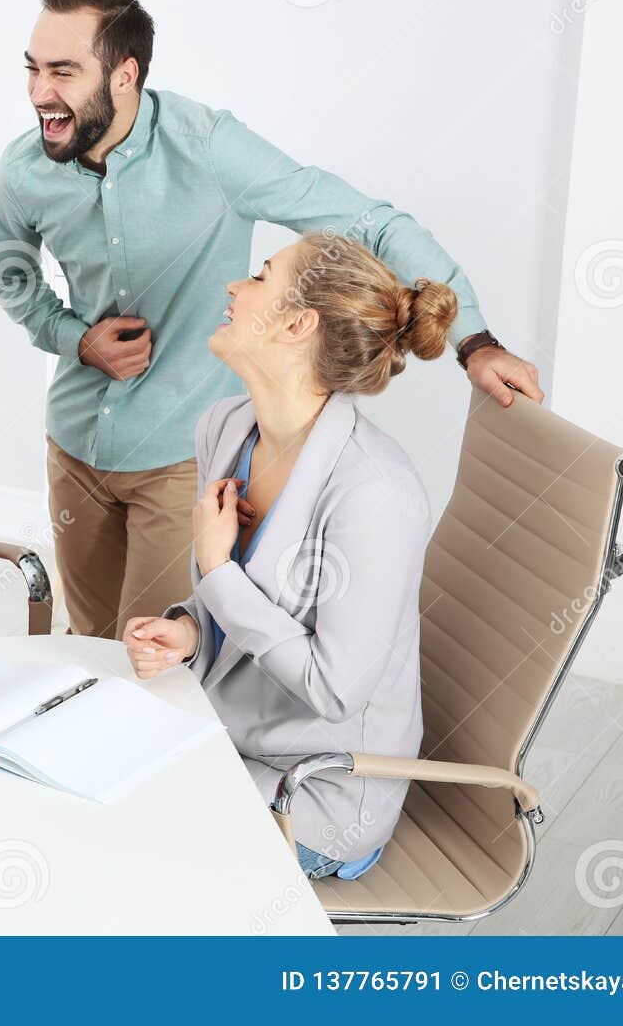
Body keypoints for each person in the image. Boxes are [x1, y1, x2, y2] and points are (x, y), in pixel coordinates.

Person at [0, 0, 543, 643]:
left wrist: (474, 339)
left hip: (180, 457)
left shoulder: (211, 147)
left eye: (63, 72)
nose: (40, 92)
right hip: (73, 444)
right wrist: (76, 338)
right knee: (89, 641)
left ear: (125, 74)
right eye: (33, 69)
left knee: (149, 655)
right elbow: (6, 268)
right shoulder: (24, 168)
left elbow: (370, 222)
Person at [124, 231, 450, 879]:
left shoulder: (376, 492)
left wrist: (217, 573)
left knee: (116, 848)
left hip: (315, 794)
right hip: (227, 742)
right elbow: (249, 606)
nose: (234, 287)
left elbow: (334, 689)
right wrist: (191, 631)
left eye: (259, 276)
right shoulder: (225, 426)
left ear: (298, 323)